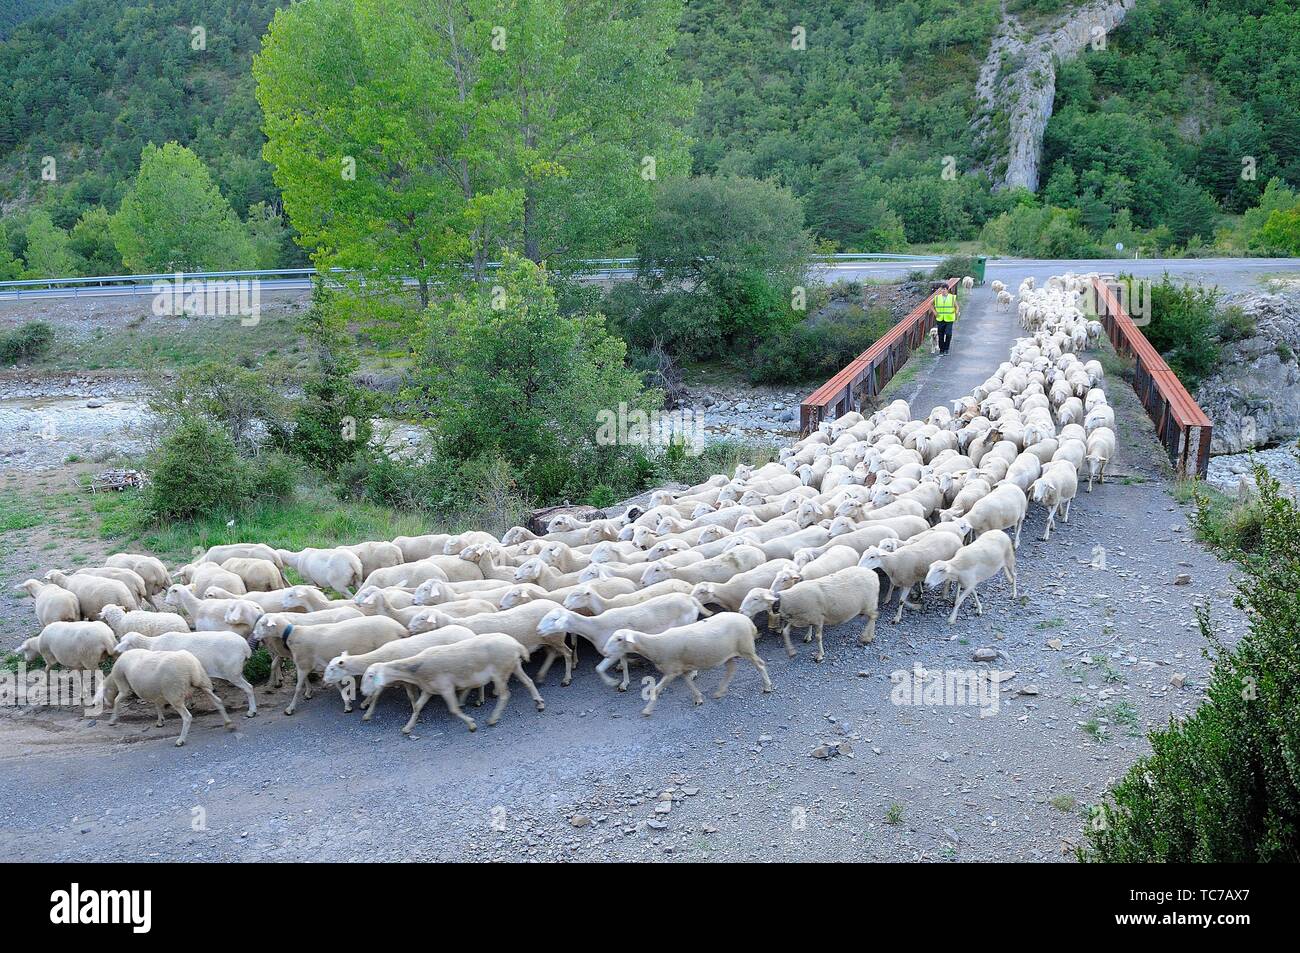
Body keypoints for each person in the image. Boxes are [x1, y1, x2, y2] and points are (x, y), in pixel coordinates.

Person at [932, 284, 958, 354]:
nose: (943, 291)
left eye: (944, 289)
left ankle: (946, 348)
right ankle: (941, 350)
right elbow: (930, 304)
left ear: (947, 289)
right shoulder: (937, 297)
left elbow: (957, 306)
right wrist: (934, 312)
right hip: (940, 318)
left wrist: (956, 313)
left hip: (949, 318)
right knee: (941, 335)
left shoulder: (952, 297)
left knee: (948, 334)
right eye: (942, 289)